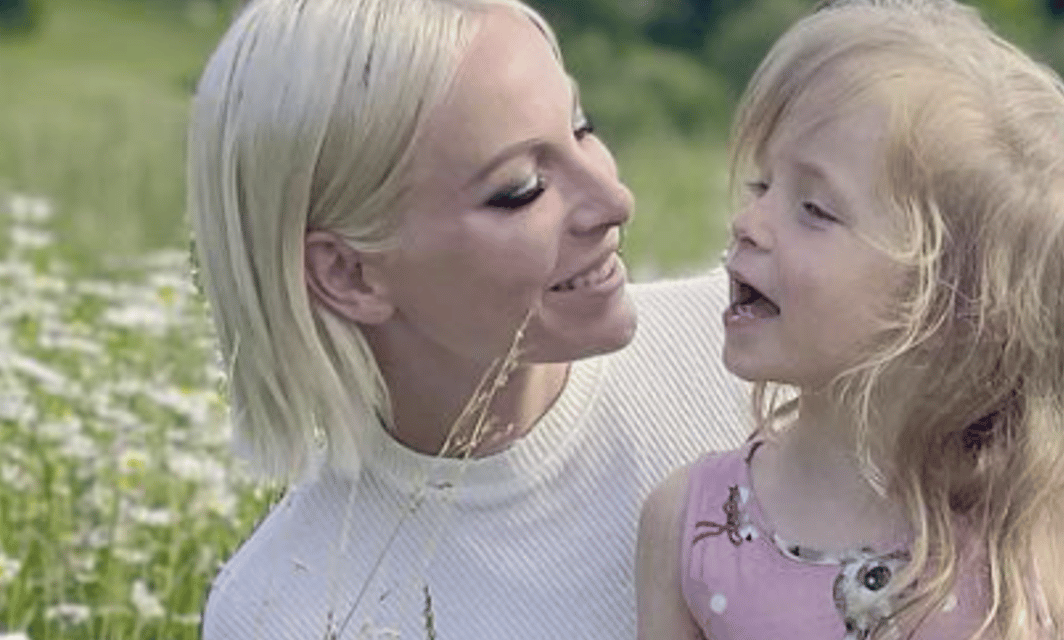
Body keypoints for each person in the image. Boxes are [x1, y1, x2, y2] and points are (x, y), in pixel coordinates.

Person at [187, 0, 751, 637]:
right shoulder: (286, 613)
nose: (614, 200)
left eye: (582, 128)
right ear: (348, 274)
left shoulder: (770, 360)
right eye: (520, 188)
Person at [635, 1, 1064, 638]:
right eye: (761, 187)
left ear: (950, 303)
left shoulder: (1055, 519)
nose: (748, 224)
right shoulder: (694, 523)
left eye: (814, 208)